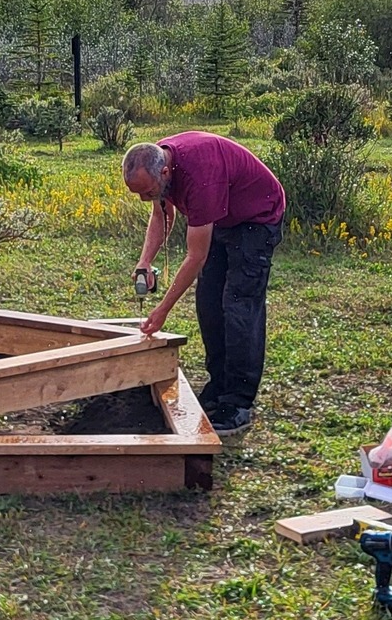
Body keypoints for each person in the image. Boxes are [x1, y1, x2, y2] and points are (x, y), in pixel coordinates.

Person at [121, 133, 285, 435]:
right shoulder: (159, 160)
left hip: (257, 218)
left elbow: (195, 256)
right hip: (224, 217)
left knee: (238, 306)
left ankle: (237, 403)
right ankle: (219, 385)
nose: (145, 199)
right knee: (209, 304)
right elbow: (161, 213)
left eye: (147, 191)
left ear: (166, 173)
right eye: (139, 194)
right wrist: (144, 262)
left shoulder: (200, 177)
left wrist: (162, 310)